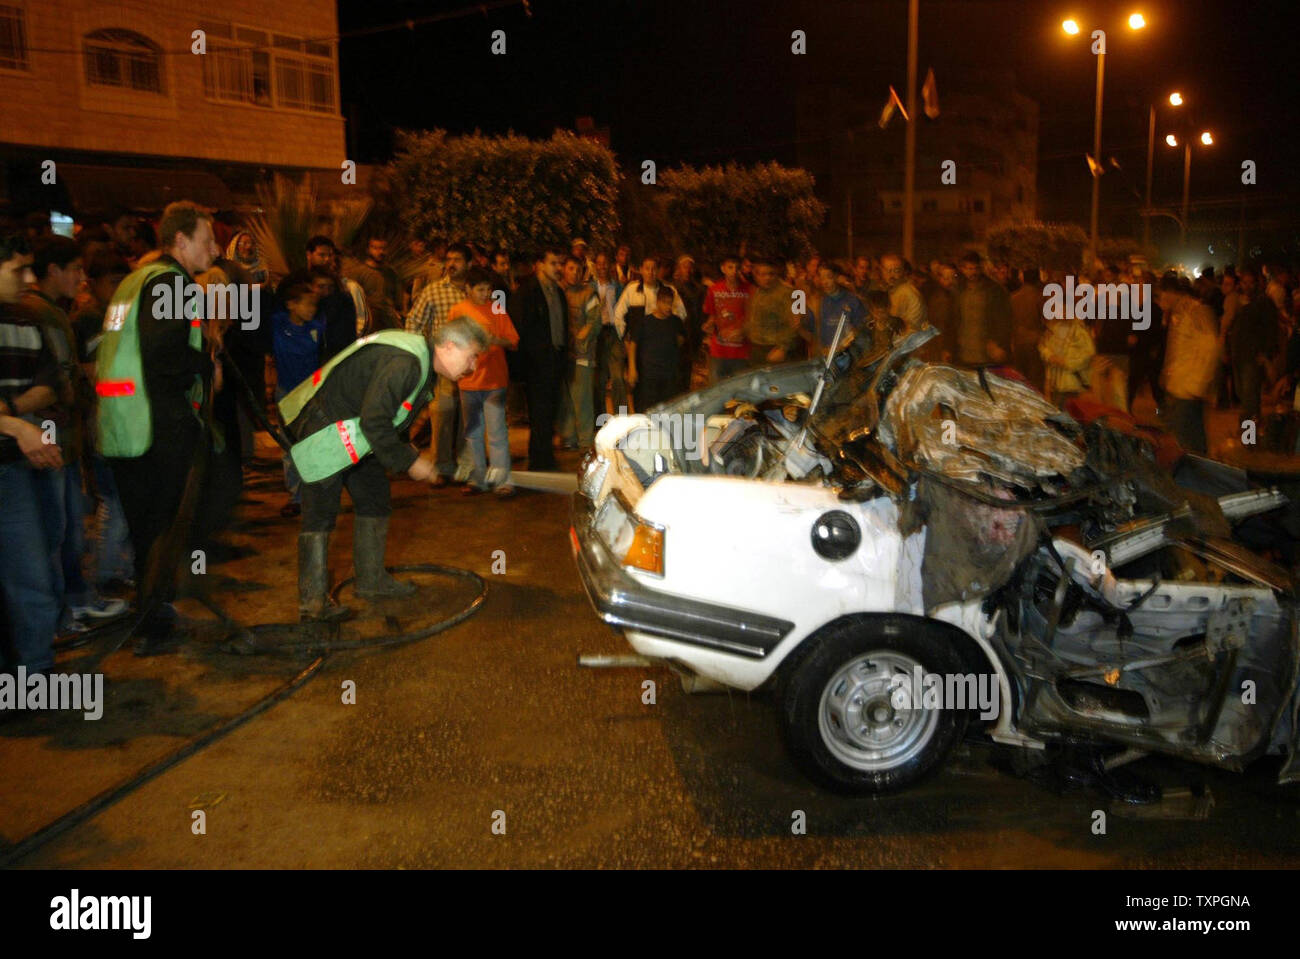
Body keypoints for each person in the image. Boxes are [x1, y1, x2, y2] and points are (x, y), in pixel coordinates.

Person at [278, 316, 487, 621]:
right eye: (472, 357)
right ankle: (313, 603)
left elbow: (388, 415)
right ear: (450, 346)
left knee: (375, 497)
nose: (473, 367)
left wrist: (406, 449)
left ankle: (372, 581)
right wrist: (411, 462)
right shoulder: (408, 363)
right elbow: (374, 421)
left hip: (356, 432)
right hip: (327, 430)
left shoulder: (421, 359)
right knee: (320, 513)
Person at [95, 201, 222, 654]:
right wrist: (204, 363)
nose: (215, 248)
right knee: (162, 527)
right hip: (156, 424)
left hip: (120, 424)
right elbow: (164, 354)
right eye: (208, 240)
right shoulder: (173, 284)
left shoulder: (134, 281)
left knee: (146, 526)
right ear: (181, 241)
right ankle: (152, 623)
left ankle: (151, 614)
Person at [22, 236, 127, 629]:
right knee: (60, 528)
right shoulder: (48, 315)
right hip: (52, 441)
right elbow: (62, 379)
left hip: (58, 438)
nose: (81, 278)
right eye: (76, 270)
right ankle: (72, 604)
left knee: (63, 525)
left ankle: (71, 602)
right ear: (54, 271)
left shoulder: (54, 312)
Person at [0, 232, 66, 675]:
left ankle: (35, 674)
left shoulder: (26, 320)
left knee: (32, 575)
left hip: (13, 470)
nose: (28, 278)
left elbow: (49, 387)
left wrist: (11, 415)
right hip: (17, 457)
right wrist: (15, 424)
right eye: (16, 270)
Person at [448, 268, 519, 496]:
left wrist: (496, 340)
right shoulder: (458, 311)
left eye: (488, 289)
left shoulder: (497, 309)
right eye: (480, 289)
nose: (485, 294)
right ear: (468, 288)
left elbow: (513, 340)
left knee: (497, 432)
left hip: (494, 380)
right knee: (473, 433)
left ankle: (502, 481)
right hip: (468, 382)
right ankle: (477, 478)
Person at [406, 242, 471, 486]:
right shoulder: (433, 291)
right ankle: (442, 466)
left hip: (472, 366)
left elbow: (496, 317)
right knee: (442, 414)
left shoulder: (477, 292)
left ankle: (465, 466)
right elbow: (414, 321)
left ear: (469, 264)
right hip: (443, 364)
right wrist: (420, 351)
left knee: (468, 417)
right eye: (449, 259)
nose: (452, 264)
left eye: (458, 259)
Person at [270, 274, 328, 517]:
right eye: (306, 303)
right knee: (290, 446)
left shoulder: (318, 327)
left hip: (311, 393)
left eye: (313, 304)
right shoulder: (278, 324)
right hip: (286, 393)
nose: (311, 309)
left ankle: (316, 494)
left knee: (313, 444)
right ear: (291, 304)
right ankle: (296, 496)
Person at [510, 248, 568, 471]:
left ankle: (546, 457)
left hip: (554, 360)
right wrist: (522, 366)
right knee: (539, 414)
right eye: (553, 263)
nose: (558, 268)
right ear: (540, 264)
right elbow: (519, 329)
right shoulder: (527, 292)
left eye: (560, 263)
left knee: (550, 412)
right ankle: (538, 461)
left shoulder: (558, 292)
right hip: (536, 364)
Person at [1158, 274, 1220, 453]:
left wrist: (1198, 383)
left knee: (1184, 437)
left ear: (1170, 293)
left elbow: (1211, 346)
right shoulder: (1178, 313)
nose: (1160, 301)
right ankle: (1200, 471)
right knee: (1191, 434)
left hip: (1189, 386)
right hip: (1180, 384)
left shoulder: (1195, 310)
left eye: (1161, 295)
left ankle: (1192, 474)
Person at [558, 256, 601, 450]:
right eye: (571, 268)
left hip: (582, 355)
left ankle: (585, 442)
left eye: (578, 269)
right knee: (565, 400)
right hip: (563, 354)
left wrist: (581, 339)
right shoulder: (558, 292)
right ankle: (568, 438)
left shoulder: (589, 293)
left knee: (582, 400)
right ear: (564, 269)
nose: (574, 273)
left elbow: (594, 322)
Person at [1231, 266, 1279, 430]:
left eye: (1252, 282)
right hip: (1239, 356)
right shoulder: (1241, 301)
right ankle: (1249, 434)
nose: (1248, 286)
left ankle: (1248, 438)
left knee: (1249, 400)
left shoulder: (1264, 302)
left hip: (1253, 358)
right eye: (1245, 282)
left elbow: (1272, 330)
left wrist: (1265, 355)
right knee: (1244, 397)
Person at [627, 286, 686, 411]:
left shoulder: (675, 322)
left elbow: (680, 340)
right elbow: (633, 344)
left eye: (671, 303)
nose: (668, 307)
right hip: (649, 376)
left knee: (668, 411)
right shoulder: (645, 322)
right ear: (658, 302)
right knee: (648, 411)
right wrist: (632, 368)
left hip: (669, 376)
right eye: (665, 303)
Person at [954, 251, 1011, 367]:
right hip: (963, 352)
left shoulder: (994, 290)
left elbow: (1003, 320)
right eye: (969, 269)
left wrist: (999, 343)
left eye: (975, 269)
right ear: (962, 269)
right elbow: (953, 320)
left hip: (987, 353)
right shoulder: (958, 290)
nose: (972, 272)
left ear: (980, 269)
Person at [1039, 292, 1096, 409]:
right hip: (1056, 383)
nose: (1062, 313)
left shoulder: (1079, 330)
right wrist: (1049, 356)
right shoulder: (1054, 327)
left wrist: (1067, 362)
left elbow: (1088, 353)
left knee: (1067, 414)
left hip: (1072, 382)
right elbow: (1043, 346)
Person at [702, 253, 752, 384]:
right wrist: (708, 325)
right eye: (730, 267)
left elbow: (753, 319)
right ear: (723, 268)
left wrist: (743, 331)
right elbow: (712, 315)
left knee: (740, 392)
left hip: (741, 352)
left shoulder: (749, 290)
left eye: (737, 267)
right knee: (716, 391)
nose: (734, 271)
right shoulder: (714, 290)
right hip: (719, 351)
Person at [744, 257, 801, 367]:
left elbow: (797, 324)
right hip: (757, 349)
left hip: (776, 351)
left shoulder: (790, 292)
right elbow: (752, 320)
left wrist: (783, 348)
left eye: (771, 274)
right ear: (755, 275)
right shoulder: (757, 292)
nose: (767, 278)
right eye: (762, 274)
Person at [307, 235, 367, 336]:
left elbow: (360, 321)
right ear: (309, 255)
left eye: (330, 256)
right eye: (322, 255)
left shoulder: (348, 288)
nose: (327, 260)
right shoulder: (300, 281)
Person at [590, 250, 626, 416]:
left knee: (618, 378)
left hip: (614, 333)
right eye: (599, 263)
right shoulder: (590, 287)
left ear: (610, 265)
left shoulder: (618, 287)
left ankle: (622, 417)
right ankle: (600, 418)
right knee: (600, 379)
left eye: (605, 263)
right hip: (597, 334)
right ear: (595, 266)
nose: (602, 266)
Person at [809, 260, 866, 356]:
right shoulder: (818, 302)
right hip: (825, 358)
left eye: (829, 277)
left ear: (836, 277)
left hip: (847, 357)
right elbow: (811, 334)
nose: (825, 282)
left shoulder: (852, 300)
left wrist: (842, 346)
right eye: (822, 278)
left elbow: (860, 329)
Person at [345, 237, 401, 331]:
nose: (380, 252)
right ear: (368, 250)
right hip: (368, 320)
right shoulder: (358, 272)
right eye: (375, 248)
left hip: (388, 320)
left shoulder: (391, 273)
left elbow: (396, 298)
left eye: (383, 248)